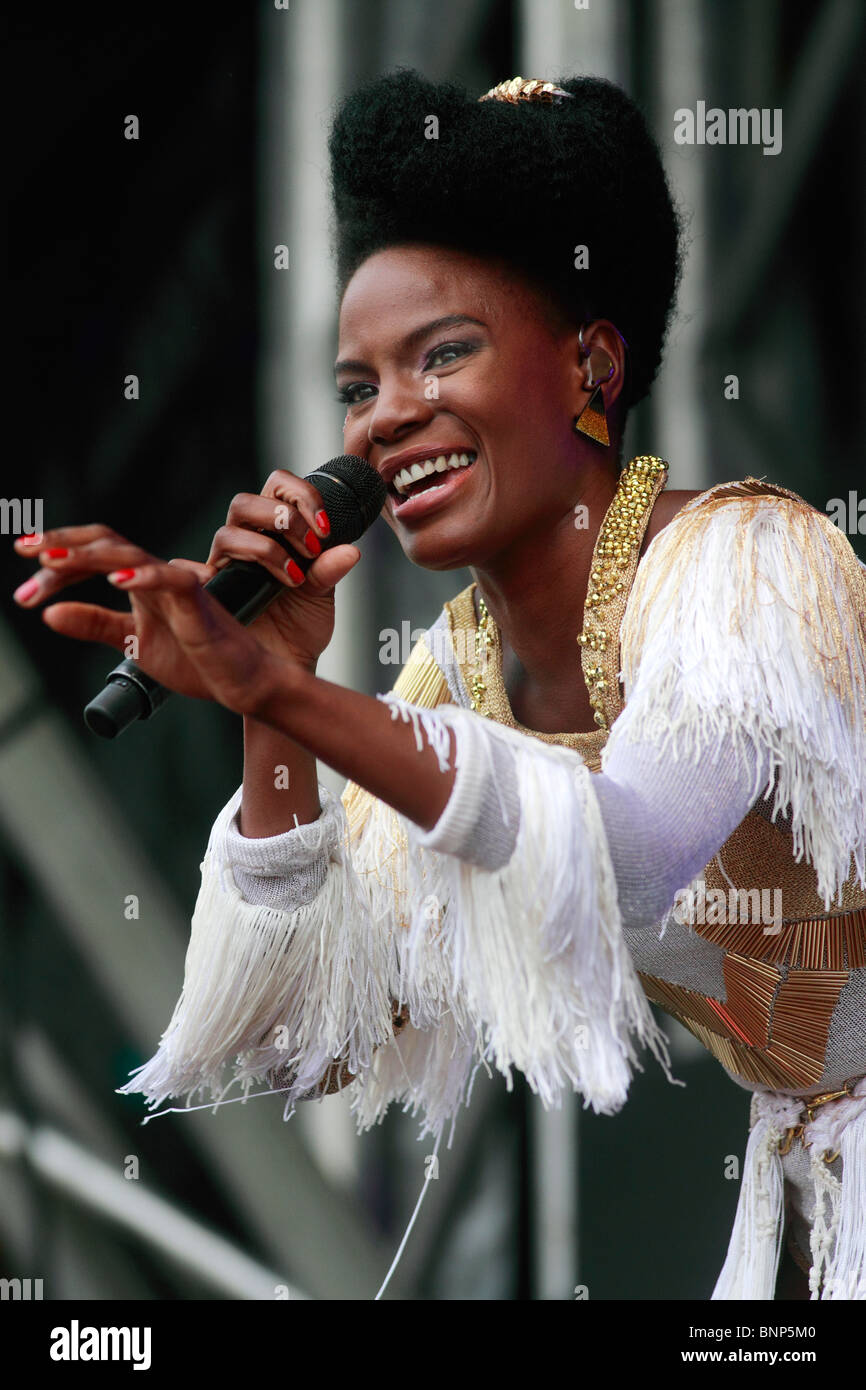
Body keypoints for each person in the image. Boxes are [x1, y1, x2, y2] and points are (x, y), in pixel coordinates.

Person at [12, 71, 865, 1302]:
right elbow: (312, 1040)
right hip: (805, 1190)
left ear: (591, 364)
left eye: (442, 356)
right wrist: (274, 704)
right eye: (357, 386)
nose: (380, 420)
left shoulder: (748, 566)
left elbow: (622, 850)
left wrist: (288, 692)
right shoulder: (450, 678)